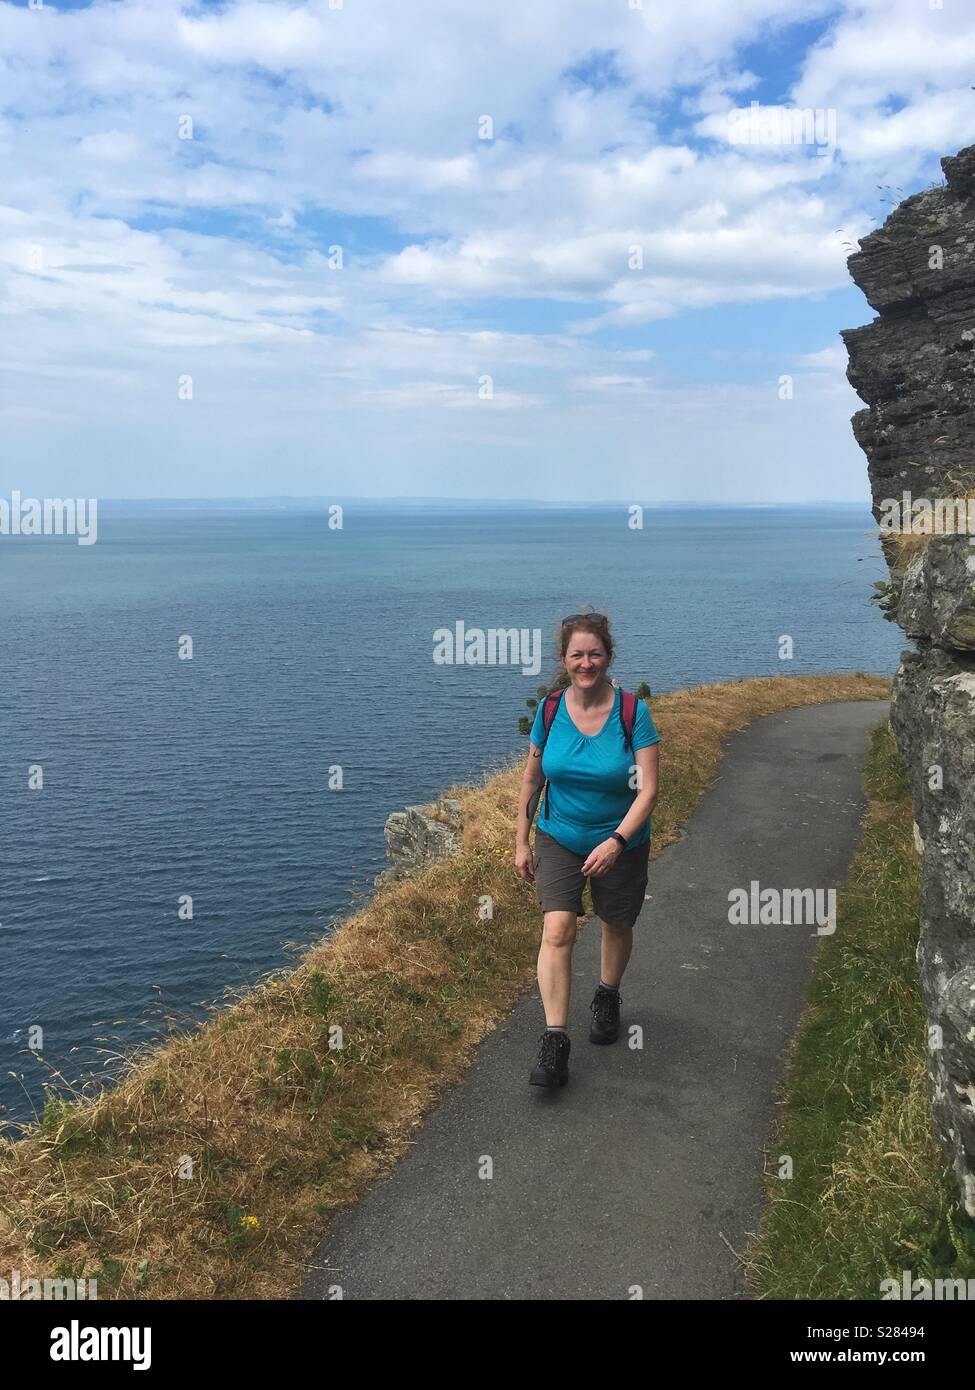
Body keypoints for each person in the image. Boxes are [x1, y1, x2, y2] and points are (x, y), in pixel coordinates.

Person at [514, 610, 661, 1089]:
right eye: (576, 654)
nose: (586, 662)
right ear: (563, 659)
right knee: (557, 929)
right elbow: (533, 778)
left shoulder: (632, 712)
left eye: (594, 653)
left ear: (608, 655)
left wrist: (617, 842)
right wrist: (521, 839)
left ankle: (607, 994)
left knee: (616, 922)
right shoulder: (551, 709)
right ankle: (556, 1042)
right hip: (559, 834)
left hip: (621, 838)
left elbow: (648, 790)